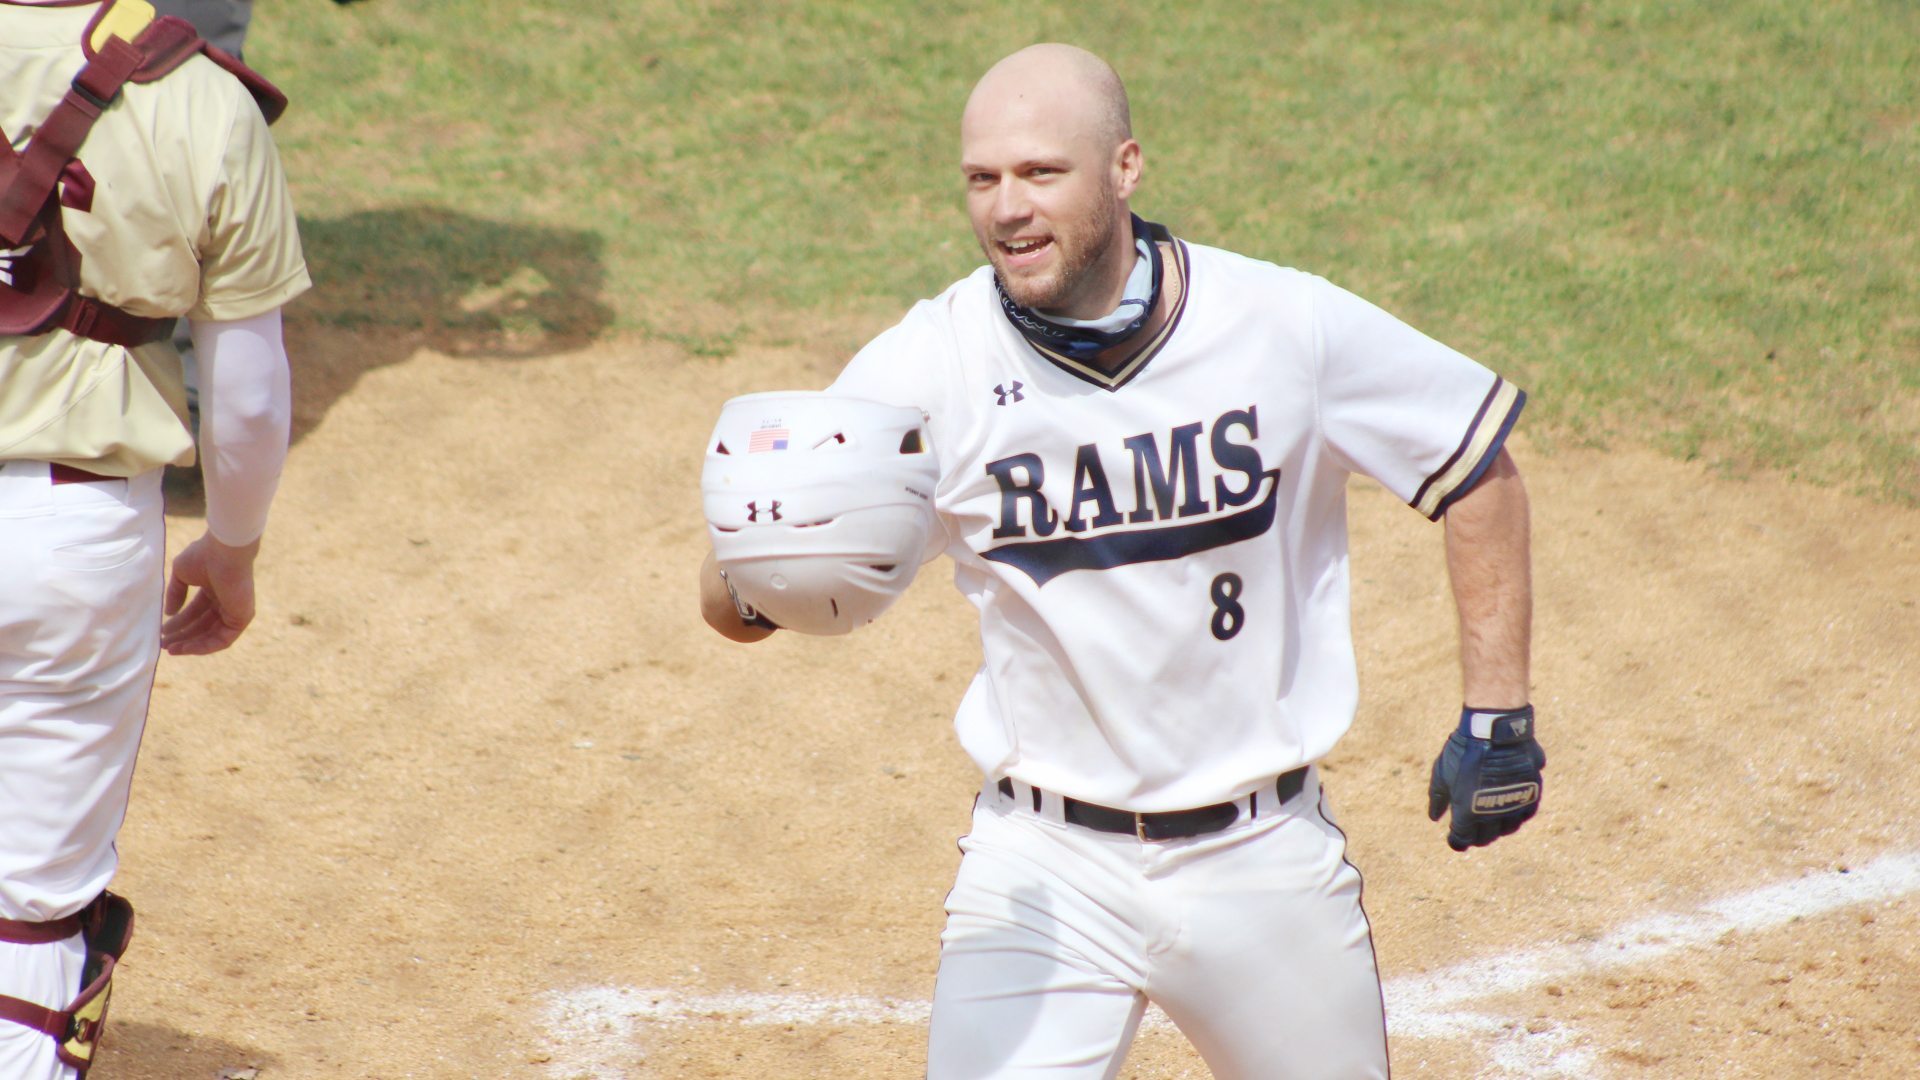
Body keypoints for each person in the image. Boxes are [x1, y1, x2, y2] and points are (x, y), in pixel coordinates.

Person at [699, 43, 1541, 1080]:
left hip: (1262, 859)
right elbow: (742, 598)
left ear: (1125, 168)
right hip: (1042, 870)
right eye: (982, 179)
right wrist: (757, 562)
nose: (1008, 207)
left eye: (1041, 173)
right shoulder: (929, 367)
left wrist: (1498, 716)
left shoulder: (1281, 325)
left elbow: (1475, 465)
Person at [0, 2, 308, 1076]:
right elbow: (251, 391)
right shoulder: (199, 94)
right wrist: (233, 545)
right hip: (72, 530)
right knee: (31, 903)